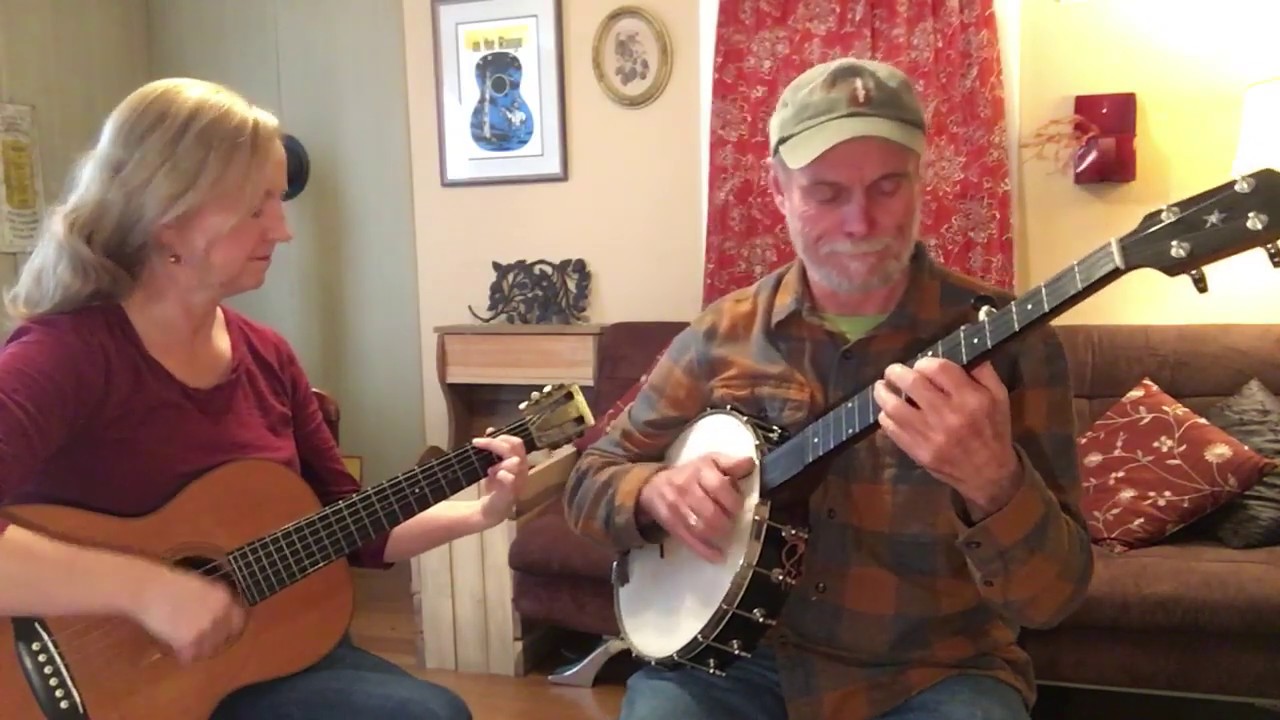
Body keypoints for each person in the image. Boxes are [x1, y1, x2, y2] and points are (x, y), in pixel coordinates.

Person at [564, 58, 1094, 720]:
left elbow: (1055, 597)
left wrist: (993, 483)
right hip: (736, 664)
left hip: (935, 671)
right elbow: (590, 480)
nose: (859, 223)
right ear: (779, 190)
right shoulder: (720, 335)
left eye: (886, 186)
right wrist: (653, 492)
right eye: (825, 192)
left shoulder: (1011, 346)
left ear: (922, 179)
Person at [0, 78, 527, 720]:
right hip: (106, 689)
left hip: (264, 656)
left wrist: (480, 514)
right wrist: (148, 591)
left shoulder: (268, 356)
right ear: (170, 215)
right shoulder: (66, 355)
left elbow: (352, 528)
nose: (282, 231)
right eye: (257, 207)